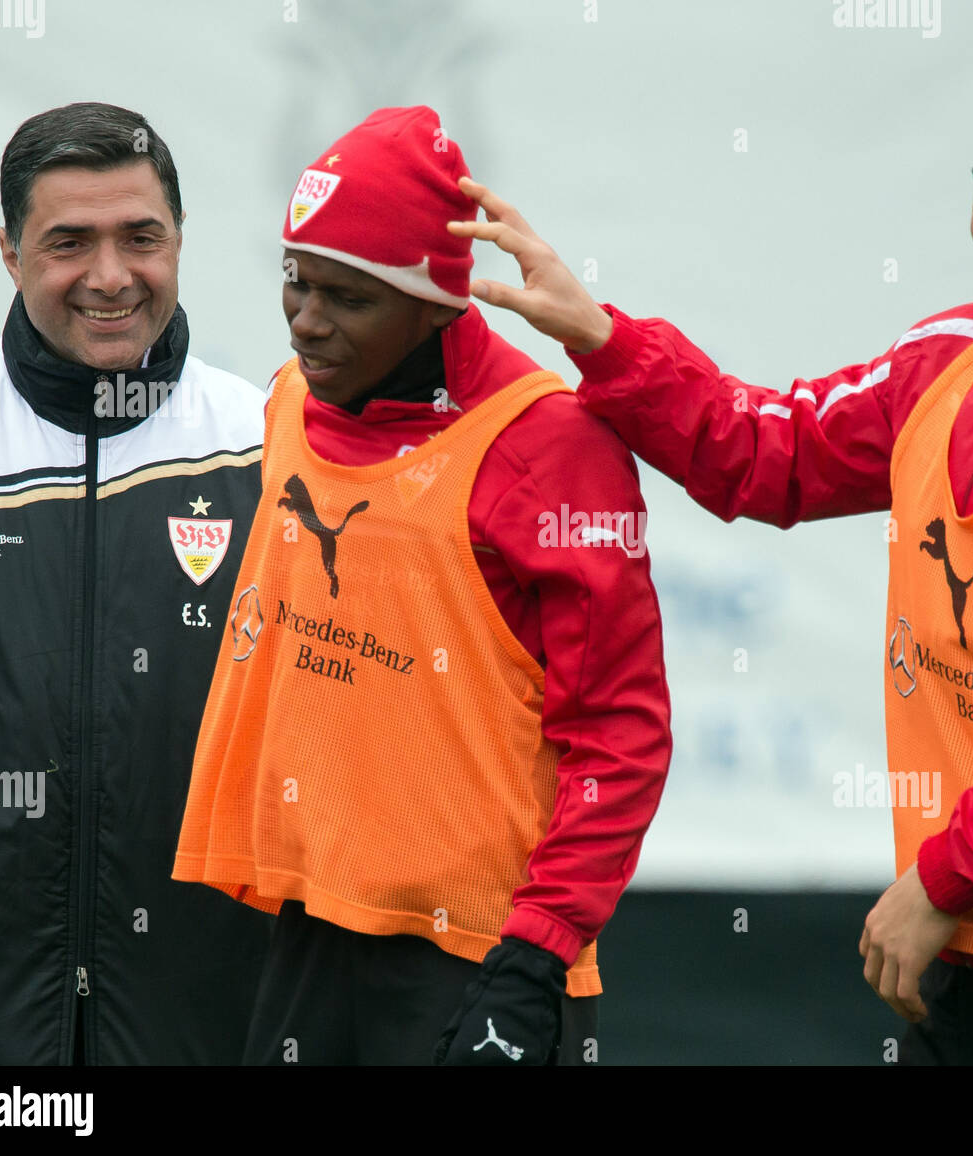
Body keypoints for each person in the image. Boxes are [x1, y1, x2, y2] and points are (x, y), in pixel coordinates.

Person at [449, 38, 973, 1065]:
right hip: (962, 956)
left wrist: (944, 878)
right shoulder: (952, 357)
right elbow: (763, 454)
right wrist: (598, 334)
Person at [173, 106, 671, 1065]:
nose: (308, 322)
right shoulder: (288, 401)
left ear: (437, 303)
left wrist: (538, 955)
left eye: (348, 298)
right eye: (296, 283)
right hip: (314, 932)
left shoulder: (548, 444)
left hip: (480, 960)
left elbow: (621, 730)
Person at [0, 102, 272, 1065]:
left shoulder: (270, 449)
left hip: (211, 1024)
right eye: (68, 242)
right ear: (7, 252)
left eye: (141, 237)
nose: (111, 276)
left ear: (180, 240)